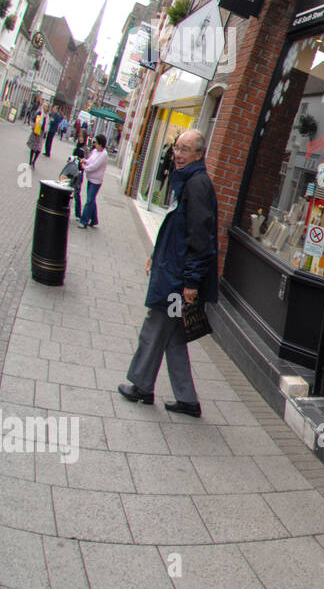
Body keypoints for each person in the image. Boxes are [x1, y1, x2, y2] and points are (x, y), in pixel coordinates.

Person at [117, 130, 219, 418]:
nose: (178, 153)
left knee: (154, 327)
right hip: (172, 272)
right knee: (173, 335)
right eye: (177, 147)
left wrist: (190, 282)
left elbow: (201, 239)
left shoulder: (197, 184)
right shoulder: (188, 180)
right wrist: (155, 254)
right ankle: (187, 400)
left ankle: (140, 386)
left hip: (176, 281)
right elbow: (177, 228)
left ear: (199, 154)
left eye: (186, 149)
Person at [78, 134, 108, 229]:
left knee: (89, 200)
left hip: (96, 181)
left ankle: (84, 221)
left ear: (101, 144)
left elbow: (94, 166)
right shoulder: (95, 151)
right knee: (92, 199)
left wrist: (84, 167)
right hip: (90, 179)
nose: (95, 145)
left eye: (96, 143)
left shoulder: (104, 155)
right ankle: (94, 220)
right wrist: (85, 161)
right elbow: (90, 161)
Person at [57, 145, 87, 221]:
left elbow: (84, 163)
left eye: (81, 137)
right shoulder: (76, 149)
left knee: (77, 194)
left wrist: (80, 161)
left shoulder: (85, 150)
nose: (80, 139)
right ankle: (64, 210)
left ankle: (78, 214)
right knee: (68, 192)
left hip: (79, 174)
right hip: (72, 173)